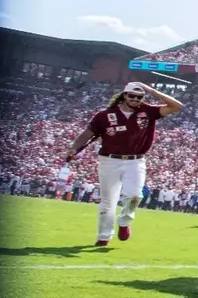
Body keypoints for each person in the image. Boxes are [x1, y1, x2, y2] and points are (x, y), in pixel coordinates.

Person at [64, 81, 183, 247]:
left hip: (136, 161)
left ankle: (124, 222)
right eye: (132, 96)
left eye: (140, 97)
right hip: (109, 160)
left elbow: (176, 106)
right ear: (124, 95)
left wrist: (150, 89)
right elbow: (87, 134)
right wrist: (74, 148)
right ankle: (104, 236)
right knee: (108, 203)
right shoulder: (104, 115)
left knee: (135, 196)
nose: (135, 99)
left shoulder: (148, 111)